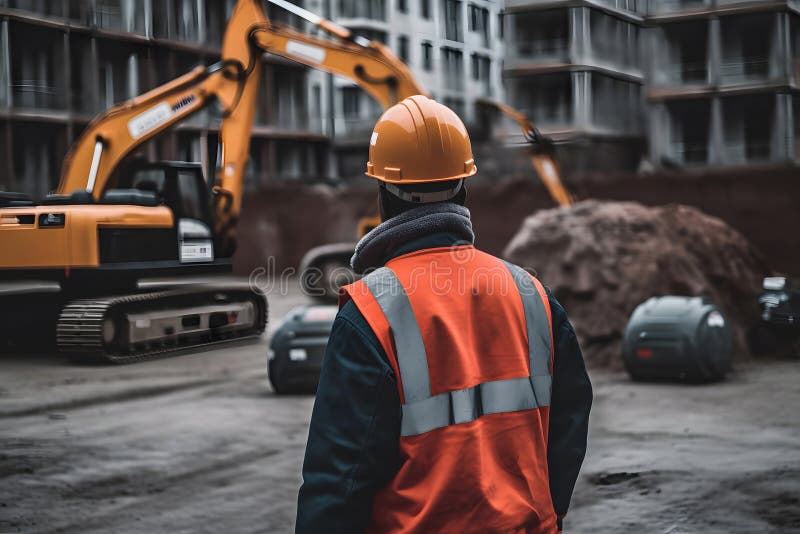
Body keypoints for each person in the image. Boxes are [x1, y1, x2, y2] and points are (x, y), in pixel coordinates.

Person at [296, 95, 592, 533]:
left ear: (383, 196)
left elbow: (339, 479)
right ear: (464, 188)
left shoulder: (370, 312)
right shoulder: (531, 294)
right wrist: (549, 512)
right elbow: (570, 420)